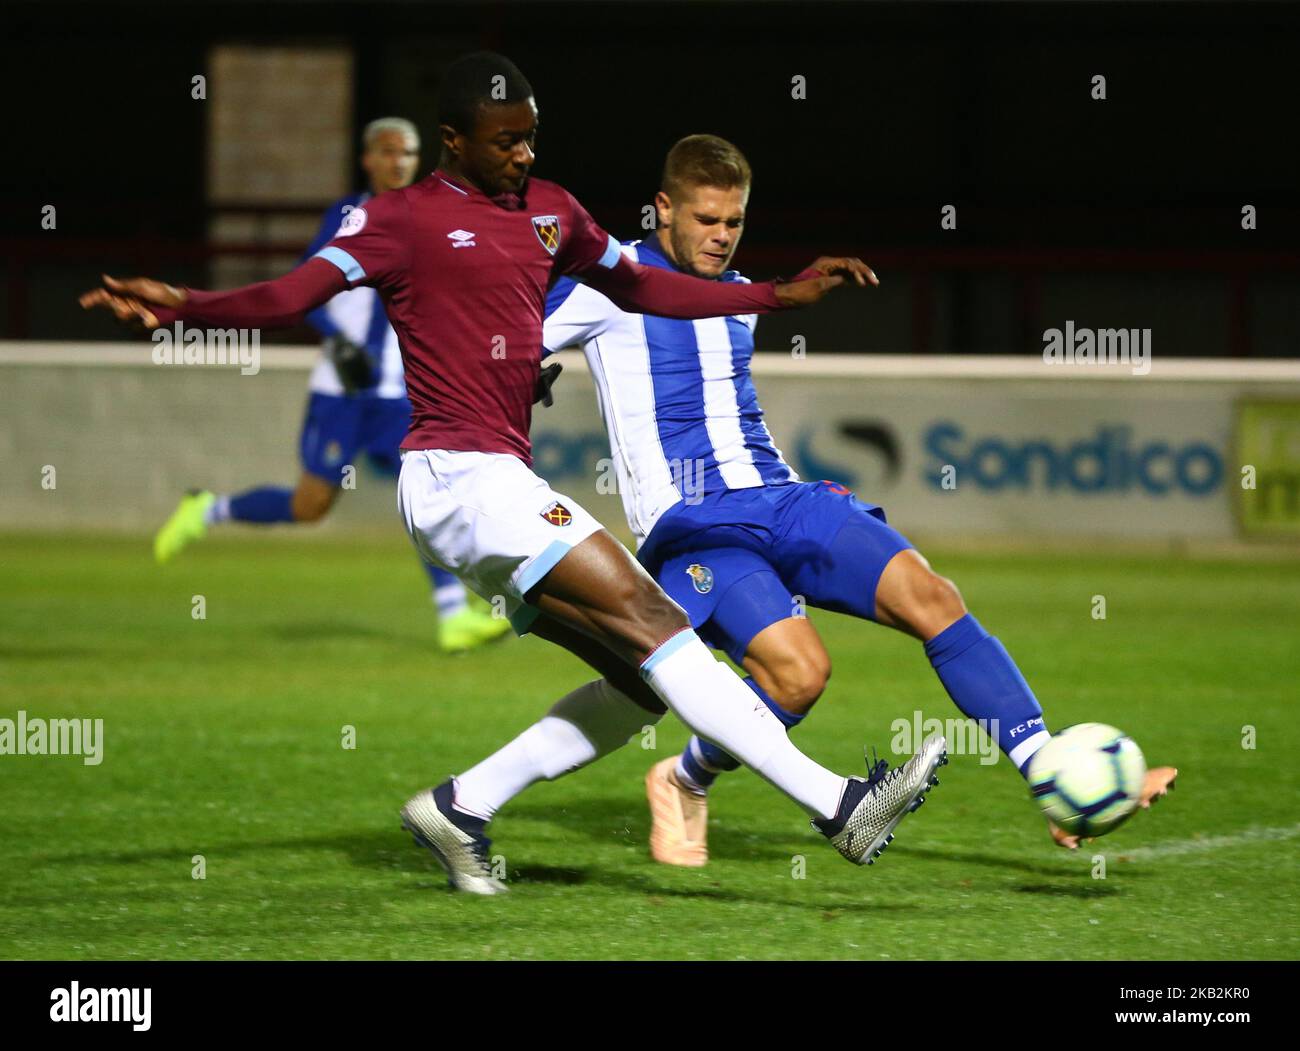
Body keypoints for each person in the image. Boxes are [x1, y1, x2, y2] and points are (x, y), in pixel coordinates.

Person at [80, 51, 946, 897]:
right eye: (505, 141)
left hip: (493, 482)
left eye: (531, 138)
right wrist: (187, 306)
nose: (523, 155)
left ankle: (460, 806)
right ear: (453, 139)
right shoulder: (398, 219)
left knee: (641, 680)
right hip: (459, 478)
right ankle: (840, 806)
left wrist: (776, 296)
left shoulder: (553, 212)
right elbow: (290, 292)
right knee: (660, 621)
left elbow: (646, 288)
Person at [539, 133, 1178, 866]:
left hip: (782, 499)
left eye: (734, 221)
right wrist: (519, 374)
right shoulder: (607, 282)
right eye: (705, 218)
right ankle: (684, 778)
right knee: (800, 675)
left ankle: (1053, 781)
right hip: (696, 525)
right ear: (663, 210)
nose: (720, 236)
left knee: (933, 597)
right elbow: (505, 334)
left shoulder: (740, 298)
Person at [151, 116, 508, 653]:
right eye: (387, 152)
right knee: (310, 506)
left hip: (400, 394)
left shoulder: (430, 215)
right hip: (341, 392)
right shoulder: (350, 216)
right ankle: (207, 508)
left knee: (434, 495)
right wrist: (339, 343)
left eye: (408, 153)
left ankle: (454, 616)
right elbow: (301, 289)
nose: (398, 162)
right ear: (367, 159)